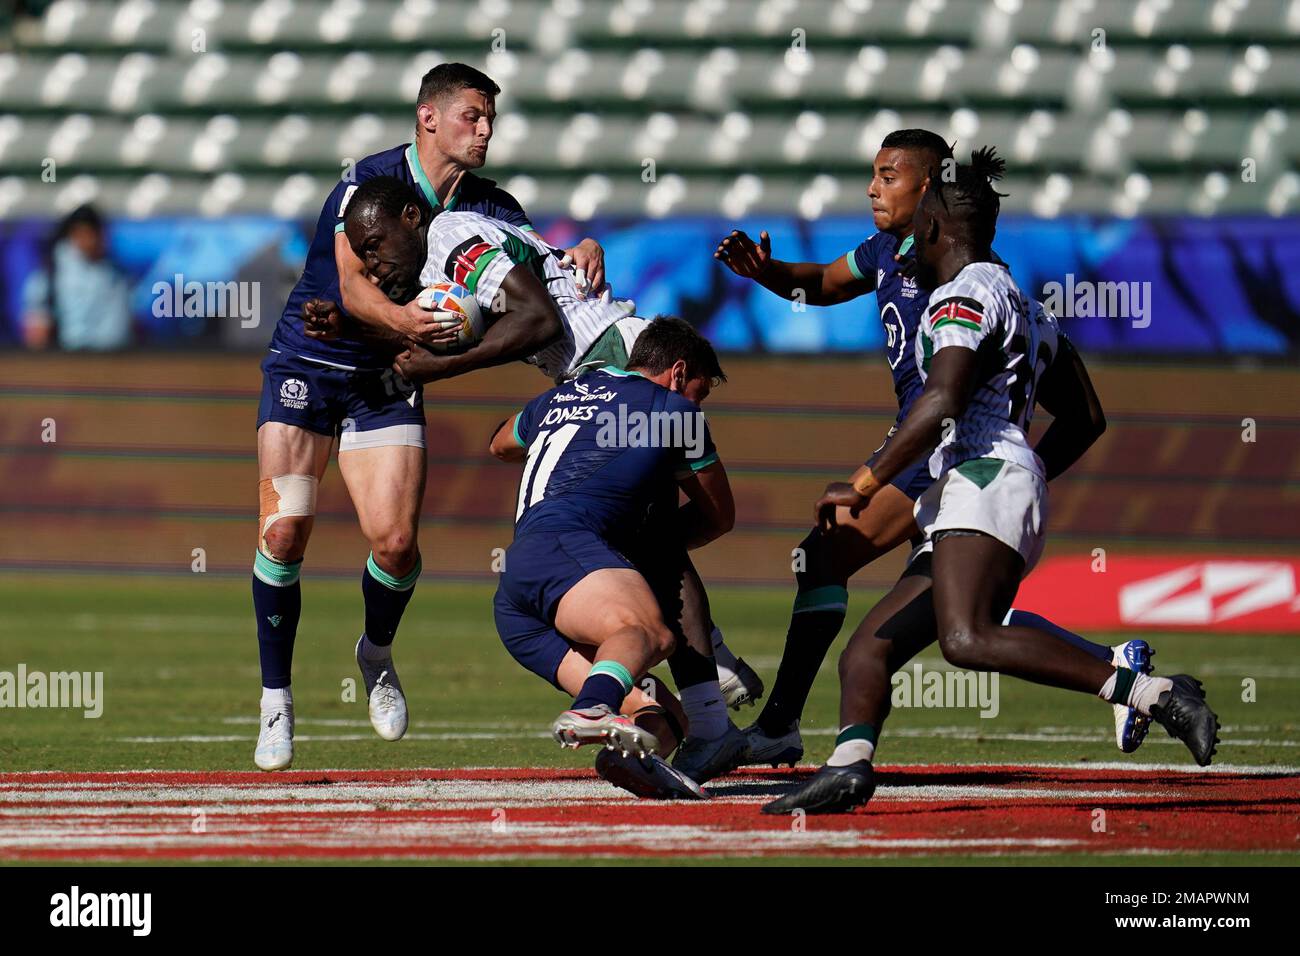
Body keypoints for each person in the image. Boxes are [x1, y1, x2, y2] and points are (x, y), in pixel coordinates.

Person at [764, 149, 1220, 814]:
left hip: (980, 482)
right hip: (978, 488)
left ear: (931, 231)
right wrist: (1028, 472)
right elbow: (1085, 417)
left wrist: (864, 482)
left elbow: (942, 398)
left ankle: (1149, 692)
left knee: (966, 639)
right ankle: (849, 766)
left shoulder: (961, 295)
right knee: (867, 652)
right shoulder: (1024, 304)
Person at [318, 178, 753, 782]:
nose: (374, 259)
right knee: (647, 553)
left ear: (413, 218)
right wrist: (351, 327)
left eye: (376, 242)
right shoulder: (443, 257)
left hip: (612, 364)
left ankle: (702, 689)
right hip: (593, 369)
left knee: (648, 543)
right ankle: (700, 696)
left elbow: (539, 322)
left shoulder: (446, 234)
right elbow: (511, 305)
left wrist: (436, 368)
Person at [251, 62, 608, 771]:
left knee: (395, 545)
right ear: (429, 119)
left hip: (386, 382)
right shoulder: (368, 185)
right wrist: (412, 320)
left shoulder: (489, 204)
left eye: (490, 119)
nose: (484, 130)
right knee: (285, 528)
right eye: (472, 116)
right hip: (308, 368)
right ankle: (276, 699)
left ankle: (375, 654)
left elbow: (537, 268)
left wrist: (583, 251)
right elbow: (352, 289)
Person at [488, 317, 735, 797]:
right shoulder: (674, 412)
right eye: (698, 394)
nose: (696, 406)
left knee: (657, 713)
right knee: (648, 633)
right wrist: (651, 547)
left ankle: (631, 761)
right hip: (567, 551)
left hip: (518, 595)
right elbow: (719, 516)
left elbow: (499, 442)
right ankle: (590, 709)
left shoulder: (560, 396)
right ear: (677, 373)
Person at [21, 204, 131, 351]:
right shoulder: (51, 273)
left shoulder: (115, 273)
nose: (90, 240)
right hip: (67, 360)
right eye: (83, 233)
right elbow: (36, 330)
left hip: (114, 360)